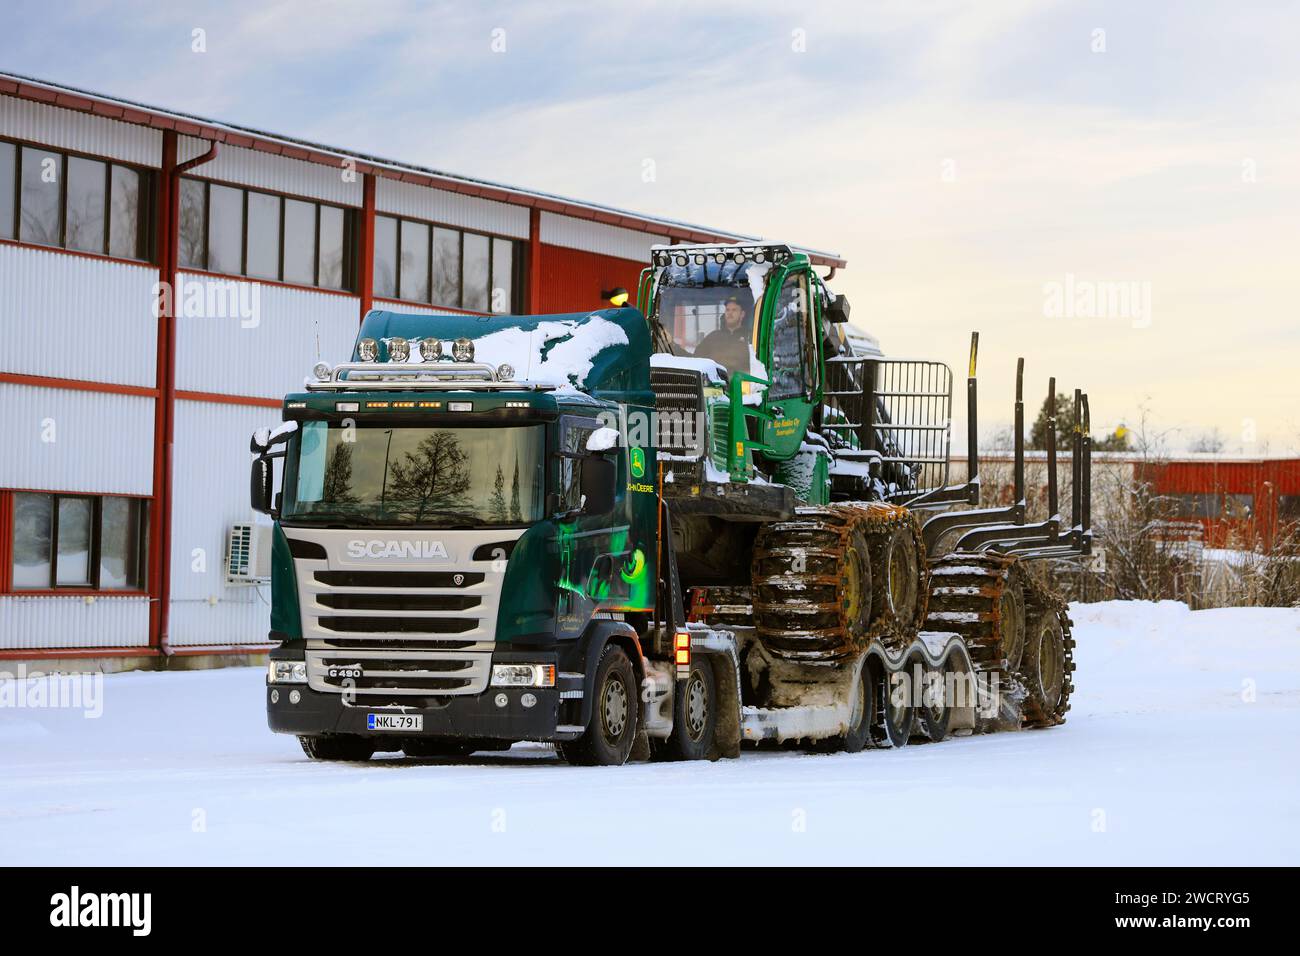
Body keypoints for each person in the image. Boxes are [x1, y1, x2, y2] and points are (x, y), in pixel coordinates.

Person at [694, 296, 751, 375]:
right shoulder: (713, 337)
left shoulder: (750, 337)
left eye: (734, 310)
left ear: (742, 314)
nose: (730, 313)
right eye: (727, 310)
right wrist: (673, 344)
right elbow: (695, 359)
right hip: (716, 385)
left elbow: (756, 367)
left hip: (741, 385)